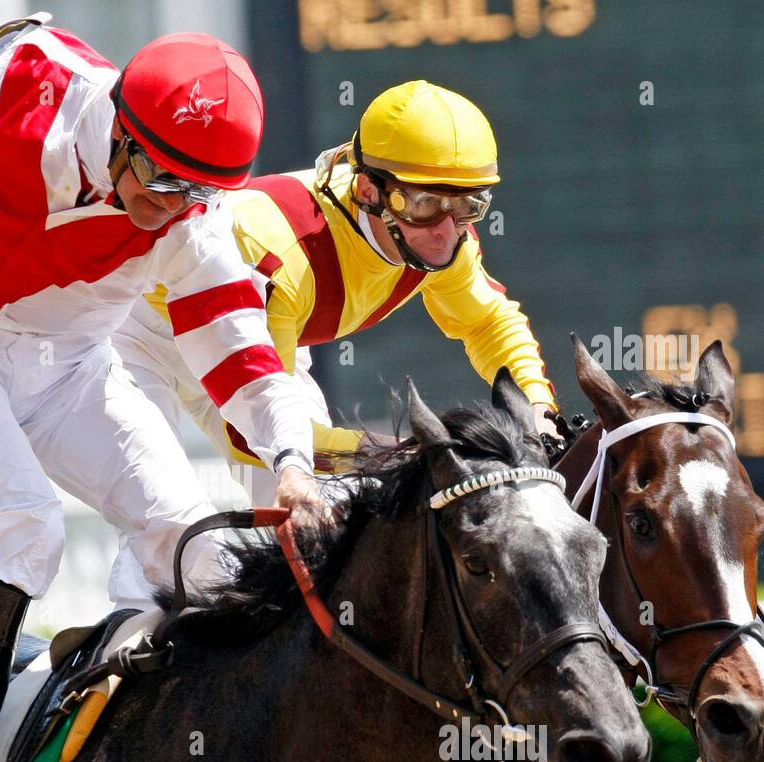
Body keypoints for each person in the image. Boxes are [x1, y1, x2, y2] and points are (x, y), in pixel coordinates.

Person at [0, 15, 322, 762]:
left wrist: (291, 460)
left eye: (194, 194)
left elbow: (245, 363)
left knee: (196, 542)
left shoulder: (193, 220)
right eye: (161, 179)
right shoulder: (32, 74)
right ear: (123, 129)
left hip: (70, 370)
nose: (168, 208)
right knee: (25, 521)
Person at [115, 80, 560, 505]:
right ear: (369, 191)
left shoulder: (445, 240)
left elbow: (486, 323)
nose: (446, 231)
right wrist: (406, 452)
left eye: (467, 205)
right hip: (142, 332)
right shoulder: (277, 251)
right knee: (163, 514)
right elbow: (258, 432)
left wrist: (538, 410)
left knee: (328, 514)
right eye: (424, 204)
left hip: (264, 340)